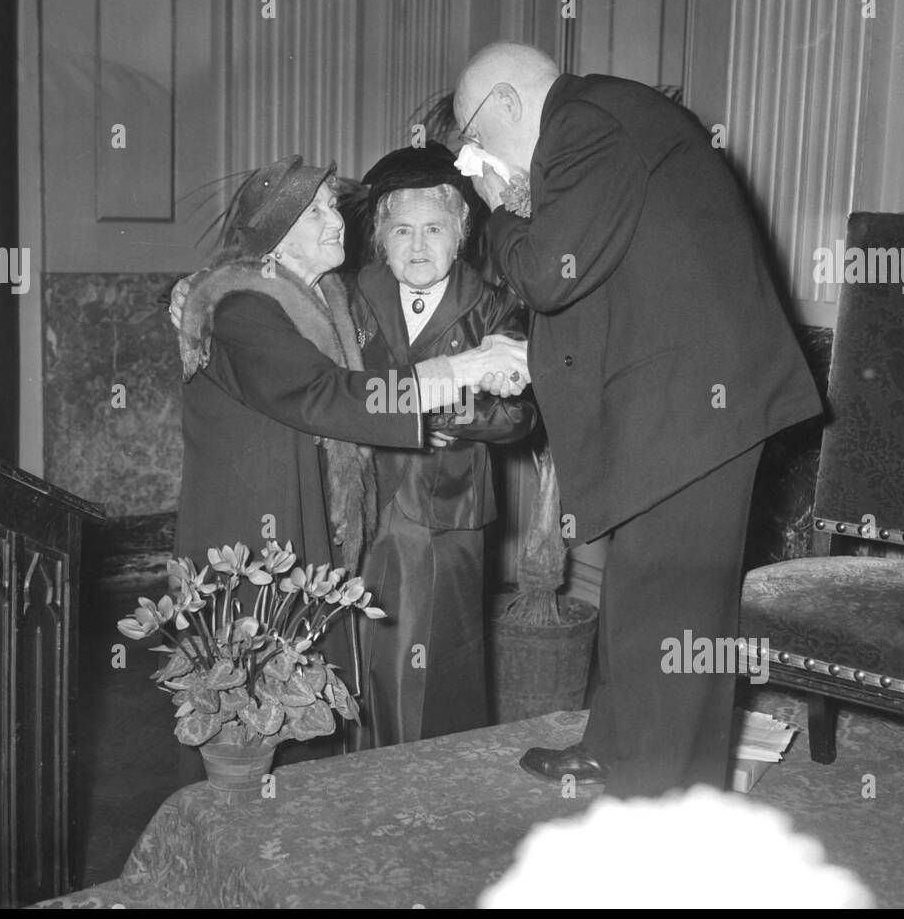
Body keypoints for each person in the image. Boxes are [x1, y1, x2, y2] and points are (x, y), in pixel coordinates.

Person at [453, 42, 822, 800]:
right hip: (679, 403)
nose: (481, 162)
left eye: (477, 142)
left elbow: (547, 270)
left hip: (697, 410)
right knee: (641, 594)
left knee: (676, 612)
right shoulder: (603, 118)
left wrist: (494, 214)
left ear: (508, 107)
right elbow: (605, 278)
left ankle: (664, 806)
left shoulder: (586, 125)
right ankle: (615, 747)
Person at [170, 154, 528, 765]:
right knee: (253, 710)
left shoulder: (323, 296)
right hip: (256, 533)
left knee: (337, 686)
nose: (339, 220)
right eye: (316, 212)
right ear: (277, 240)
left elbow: (514, 415)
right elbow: (324, 394)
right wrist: (454, 374)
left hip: (324, 520)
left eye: (332, 204)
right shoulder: (251, 306)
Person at [349, 143, 536, 747]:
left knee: (434, 662)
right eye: (401, 230)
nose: (418, 245)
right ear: (380, 238)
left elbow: (520, 417)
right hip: (359, 501)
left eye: (434, 228)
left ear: (462, 232)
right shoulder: (351, 295)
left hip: (445, 514)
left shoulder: (492, 305)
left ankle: (429, 789)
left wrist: (457, 410)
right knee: (357, 657)